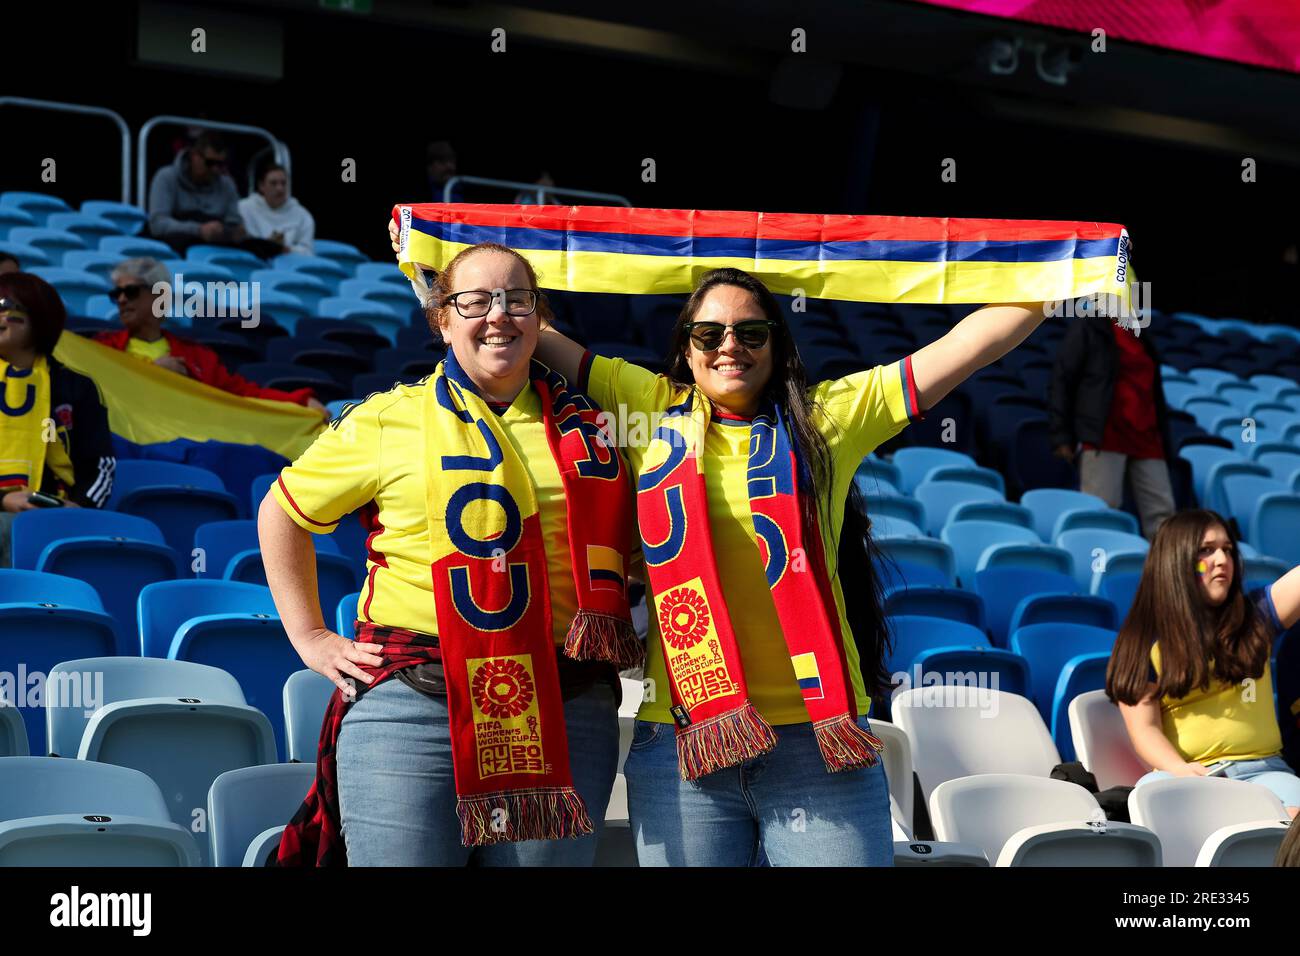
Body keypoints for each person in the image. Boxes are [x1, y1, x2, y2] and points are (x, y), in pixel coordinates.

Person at [259, 241, 640, 866]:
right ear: (441, 319)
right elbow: (281, 512)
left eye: (518, 300)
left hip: (566, 712)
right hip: (413, 711)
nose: (499, 316)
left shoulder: (601, 431)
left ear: (541, 319)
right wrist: (311, 636)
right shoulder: (388, 419)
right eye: (475, 301)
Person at [1107, 509, 1300, 818]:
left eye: (1227, 549)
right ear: (1176, 562)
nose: (1222, 560)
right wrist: (1180, 770)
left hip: (1267, 773)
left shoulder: (1256, 618)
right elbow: (1144, 729)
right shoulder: (1143, 640)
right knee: (1153, 798)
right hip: (1183, 776)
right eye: (1206, 551)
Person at [94, 258, 326, 413]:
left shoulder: (198, 357)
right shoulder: (102, 349)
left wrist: (301, 401)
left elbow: (244, 394)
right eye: (117, 294)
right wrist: (152, 372)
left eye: (131, 291)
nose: (122, 300)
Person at [0, 273, 114, 565]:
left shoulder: (76, 387)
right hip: (6, 514)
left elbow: (100, 463)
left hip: (58, 512)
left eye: (4, 304)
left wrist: (79, 506)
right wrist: (3, 500)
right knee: (11, 529)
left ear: (38, 314)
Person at [1049, 308, 1176, 539]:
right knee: (1102, 514)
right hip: (1105, 434)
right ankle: (1102, 572)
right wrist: (1061, 435)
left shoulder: (1141, 331)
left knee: (1163, 517)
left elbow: (1154, 389)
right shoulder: (1090, 326)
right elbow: (1063, 379)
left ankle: (1167, 573)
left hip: (1147, 436)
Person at [146, 130, 246, 252]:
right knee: (178, 263)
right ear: (194, 156)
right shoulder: (166, 177)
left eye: (220, 164)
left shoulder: (227, 184)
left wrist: (232, 232)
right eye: (210, 163)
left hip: (215, 251)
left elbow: (235, 223)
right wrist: (199, 230)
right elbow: (157, 225)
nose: (215, 169)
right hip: (177, 253)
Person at [238, 162, 315, 256]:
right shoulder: (244, 208)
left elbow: (307, 251)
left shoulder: (303, 215)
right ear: (261, 186)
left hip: (288, 266)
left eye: (283, 183)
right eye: (273, 183)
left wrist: (287, 249)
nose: (280, 188)